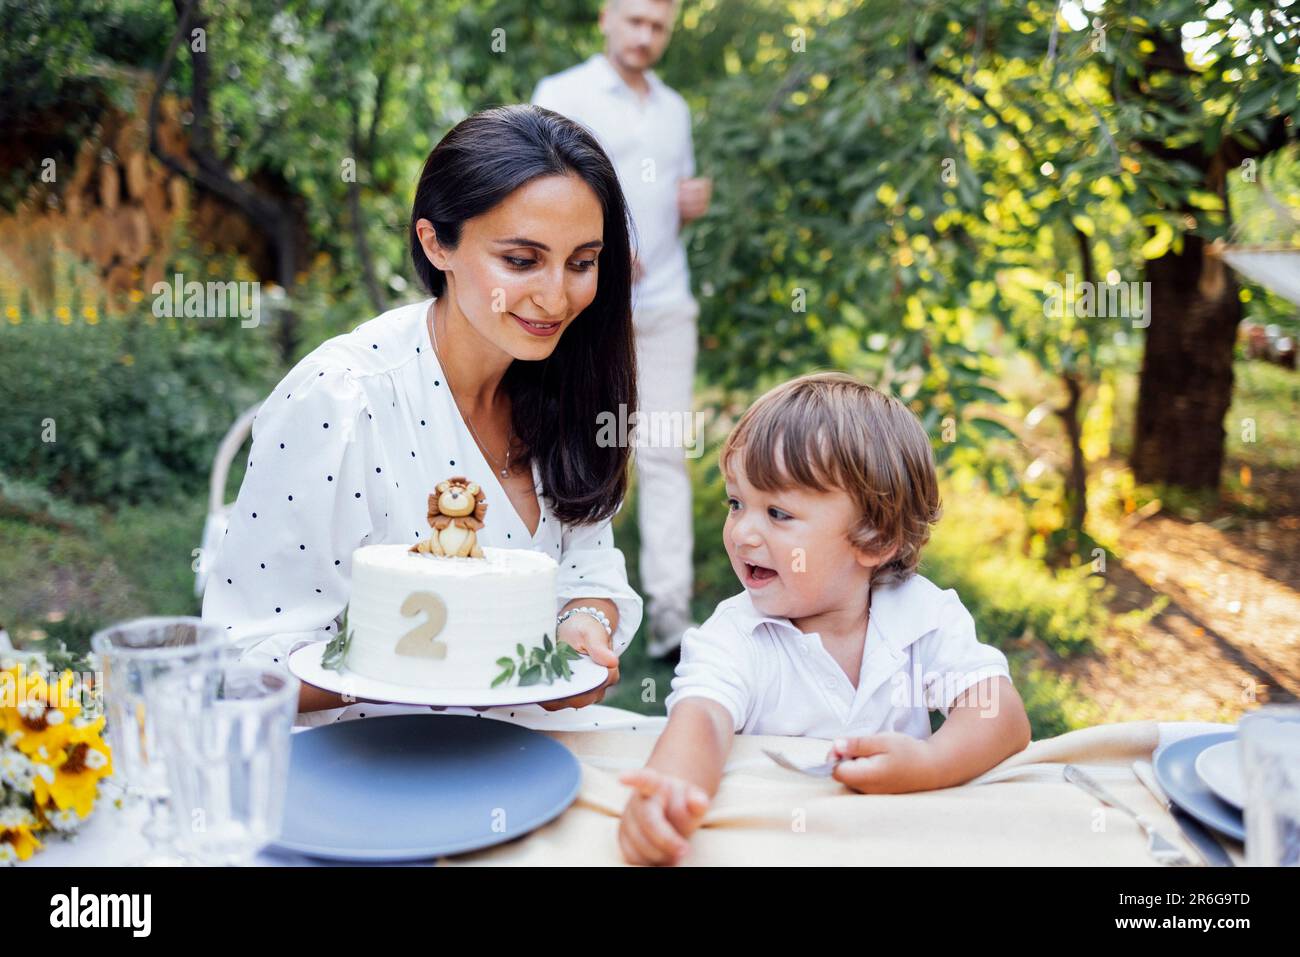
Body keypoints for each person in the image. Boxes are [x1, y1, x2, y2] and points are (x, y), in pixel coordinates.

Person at [202, 105, 643, 724]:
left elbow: (589, 566)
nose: (555, 297)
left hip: (539, 748)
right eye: (520, 261)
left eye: (581, 262)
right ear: (436, 242)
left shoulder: (567, 384)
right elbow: (244, 662)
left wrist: (583, 626)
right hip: (369, 766)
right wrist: (433, 663)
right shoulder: (340, 401)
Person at [617, 372, 1033, 865]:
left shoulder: (922, 616)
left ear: (874, 539)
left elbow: (1001, 716)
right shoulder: (737, 636)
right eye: (736, 503)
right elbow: (702, 720)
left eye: (778, 513)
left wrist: (930, 762)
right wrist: (671, 789)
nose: (743, 533)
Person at [533, 0, 711, 657]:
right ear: (607, 17)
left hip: (665, 302)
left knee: (664, 452)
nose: (644, 37)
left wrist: (690, 206)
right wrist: (600, 246)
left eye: (658, 27)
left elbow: (671, 201)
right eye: (634, 21)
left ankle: (670, 618)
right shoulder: (563, 94)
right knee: (562, 437)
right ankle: (546, 596)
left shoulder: (674, 109)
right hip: (578, 300)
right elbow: (537, 193)